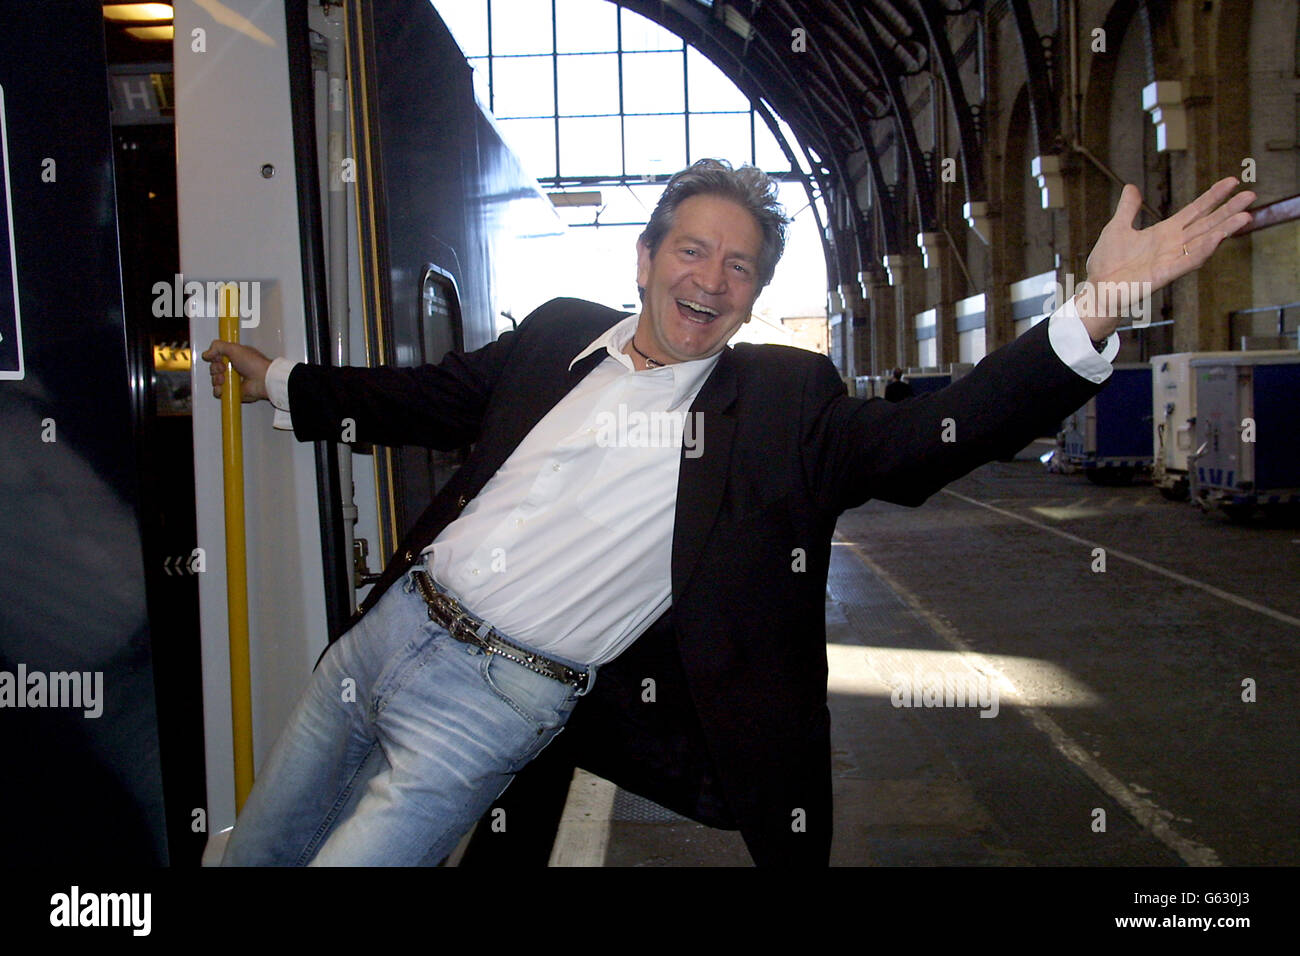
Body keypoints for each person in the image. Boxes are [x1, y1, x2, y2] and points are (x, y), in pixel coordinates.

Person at [203, 160, 1253, 866]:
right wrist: (277, 378)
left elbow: (943, 429)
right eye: (691, 251)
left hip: (491, 701)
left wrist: (1098, 305)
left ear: (752, 298)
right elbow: (419, 400)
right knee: (253, 849)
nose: (708, 280)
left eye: (738, 266)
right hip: (385, 634)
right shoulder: (557, 336)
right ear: (647, 257)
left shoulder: (780, 407)